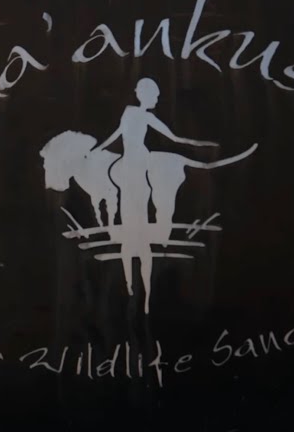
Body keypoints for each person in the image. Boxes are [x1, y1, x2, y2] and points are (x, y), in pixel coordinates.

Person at [92, 78, 218, 300]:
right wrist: (199, 145)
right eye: (156, 95)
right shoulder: (139, 114)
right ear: (145, 94)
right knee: (136, 235)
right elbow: (174, 138)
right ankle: (140, 290)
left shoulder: (131, 113)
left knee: (132, 233)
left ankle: (137, 288)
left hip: (133, 173)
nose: (158, 99)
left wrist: (97, 149)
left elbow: (118, 134)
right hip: (135, 174)